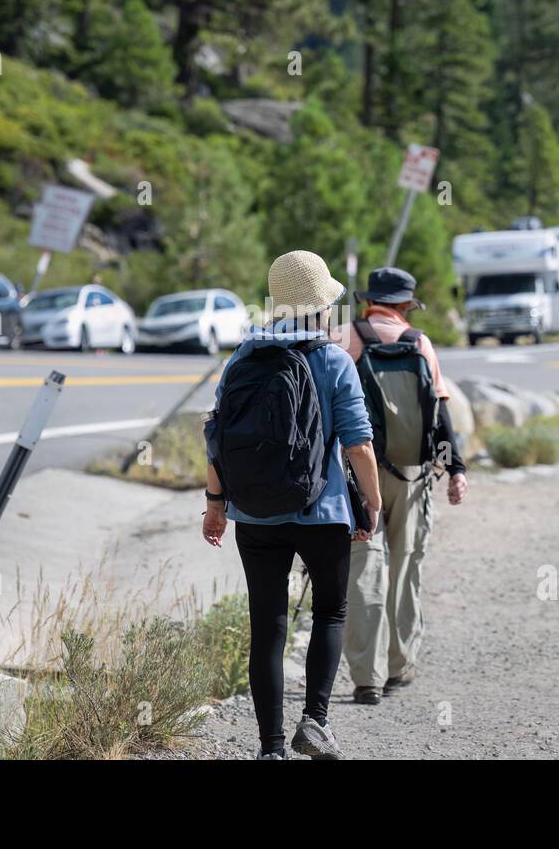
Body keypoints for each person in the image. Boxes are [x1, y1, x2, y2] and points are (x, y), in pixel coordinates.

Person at [202, 250, 382, 760]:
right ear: (321, 307)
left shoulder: (243, 358)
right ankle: (316, 723)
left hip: (254, 516)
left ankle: (270, 748)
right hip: (322, 514)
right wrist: (372, 503)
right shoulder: (333, 361)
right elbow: (359, 444)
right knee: (330, 612)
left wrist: (216, 505)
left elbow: (215, 438)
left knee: (268, 628)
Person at [331, 266, 468, 705]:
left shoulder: (343, 337)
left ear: (369, 300)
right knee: (406, 566)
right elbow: (439, 413)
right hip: (412, 474)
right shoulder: (420, 343)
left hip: (357, 475)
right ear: (406, 305)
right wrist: (457, 469)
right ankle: (399, 666)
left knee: (363, 571)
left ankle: (365, 678)